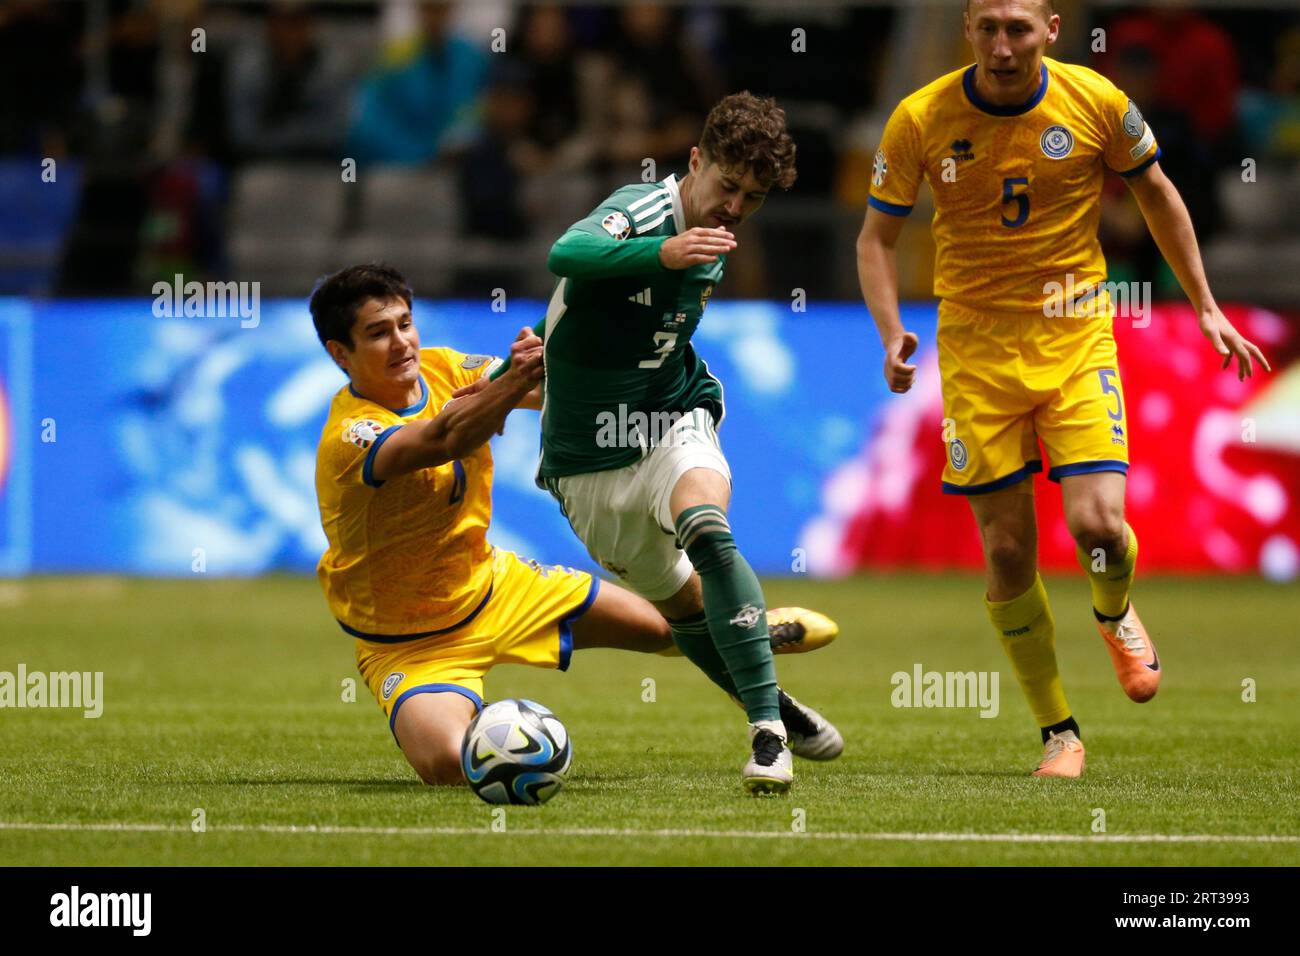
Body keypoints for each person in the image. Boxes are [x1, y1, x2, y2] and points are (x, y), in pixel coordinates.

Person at [856, 0, 1270, 778]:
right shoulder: (920, 118)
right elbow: (876, 239)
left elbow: (1157, 194)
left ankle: (1113, 612)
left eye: (1018, 29)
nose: (1003, 47)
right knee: (1009, 553)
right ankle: (1059, 734)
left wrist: (1206, 304)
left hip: (1074, 336)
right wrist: (889, 332)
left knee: (1100, 528)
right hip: (976, 352)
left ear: (1051, 28)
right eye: (988, 29)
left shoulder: (1097, 102)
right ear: (968, 30)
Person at [310, 264, 834, 786]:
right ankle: (743, 628)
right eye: (378, 333)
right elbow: (441, 440)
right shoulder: (352, 435)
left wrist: (552, 357)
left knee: (667, 628)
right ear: (340, 353)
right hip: (410, 644)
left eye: (405, 323)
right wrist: (514, 379)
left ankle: (756, 660)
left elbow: (549, 389)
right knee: (451, 765)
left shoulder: (446, 366)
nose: (401, 342)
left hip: (494, 588)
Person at [470, 93, 844, 795]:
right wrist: (502, 383)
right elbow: (567, 253)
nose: (735, 207)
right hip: (585, 464)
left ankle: (765, 734)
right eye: (728, 186)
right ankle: (774, 699)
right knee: (684, 612)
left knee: (707, 526)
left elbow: (639, 338)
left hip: (670, 418)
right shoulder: (646, 210)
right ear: (696, 162)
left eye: (753, 198)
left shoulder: (716, 237)